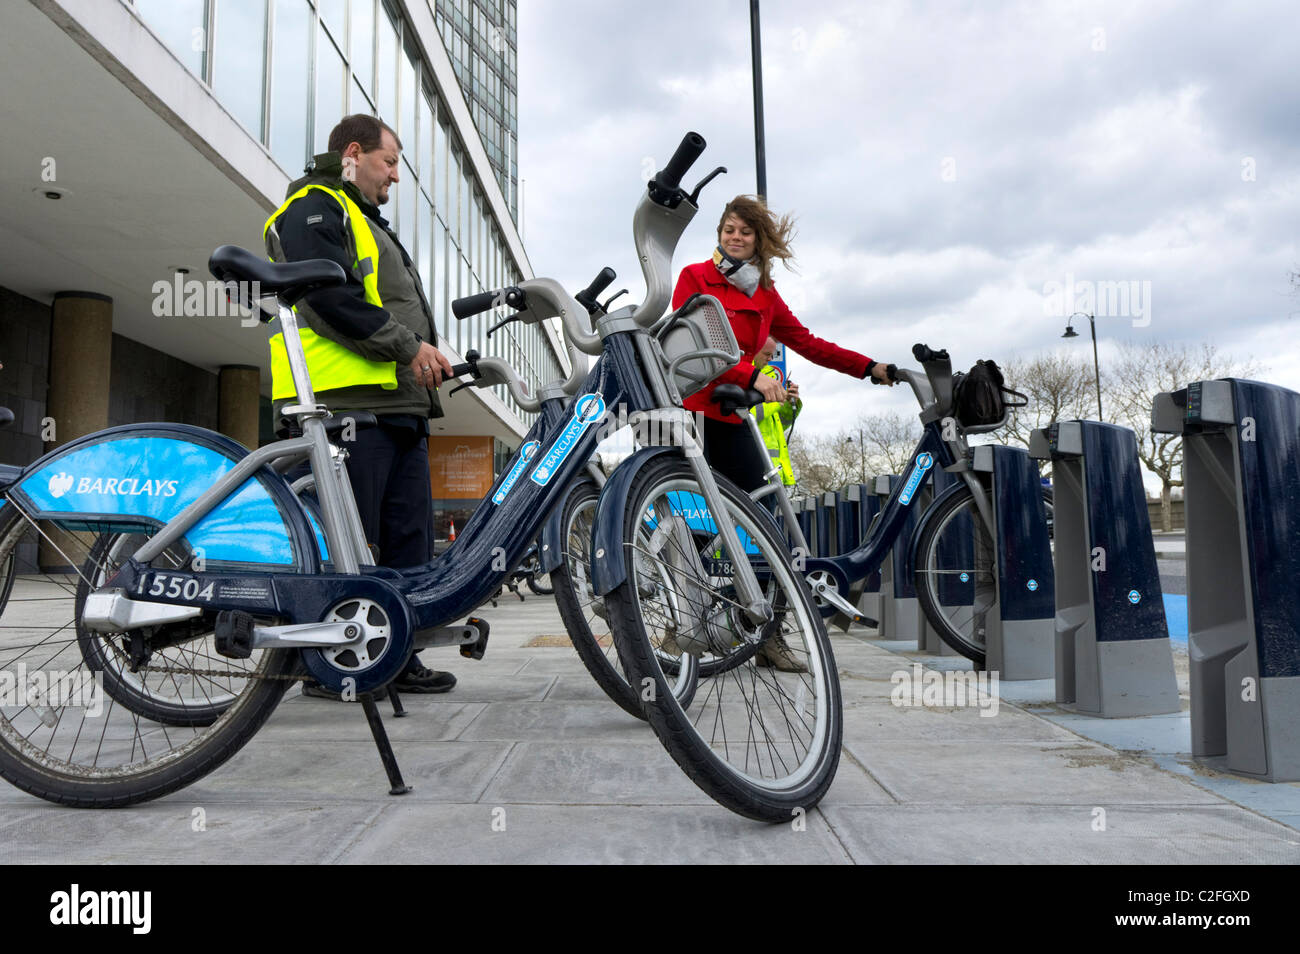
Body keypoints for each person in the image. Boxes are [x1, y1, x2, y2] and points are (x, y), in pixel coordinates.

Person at [264, 114, 456, 697]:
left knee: (408, 543)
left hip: (397, 405)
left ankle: (396, 657)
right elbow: (329, 298)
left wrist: (423, 353)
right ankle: (322, 663)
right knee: (338, 542)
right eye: (389, 162)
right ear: (353, 153)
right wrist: (407, 345)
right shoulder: (314, 207)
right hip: (342, 403)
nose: (395, 176)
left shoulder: (368, 221)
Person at [671, 195, 895, 671]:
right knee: (691, 523)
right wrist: (752, 377)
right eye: (729, 229)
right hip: (696, 411)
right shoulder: (695, 277)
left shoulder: (765, 295)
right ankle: (677, 622)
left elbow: (809, 343)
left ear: (759, 241)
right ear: (719, 233)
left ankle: (768, 635)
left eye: (745, 232)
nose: (735, 237)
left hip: (735, 417)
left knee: (767, 523)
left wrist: (869, 367)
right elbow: (689, 345)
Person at [752, 337, 800, 489]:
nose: (771, 358)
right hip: (756, 469)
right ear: (755, 350)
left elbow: (780, 424)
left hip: (773, 472)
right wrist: (777, 401)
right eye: (767, 354)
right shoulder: (749, 378)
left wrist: (790, 403)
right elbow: (747, 416)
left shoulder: (770, 378)